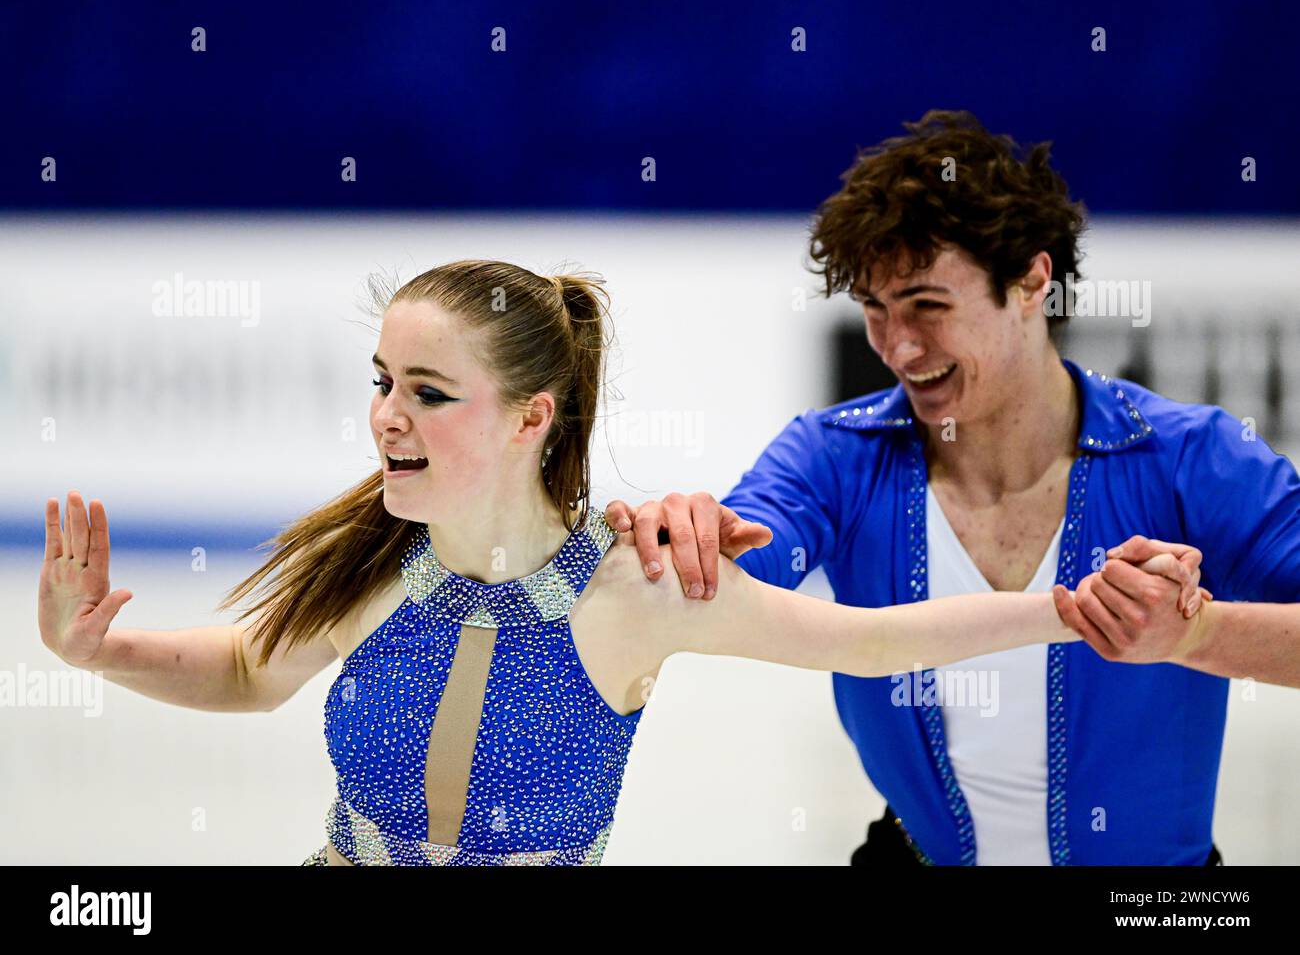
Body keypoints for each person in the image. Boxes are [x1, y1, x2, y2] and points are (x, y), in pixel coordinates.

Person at [36, 259, 1202, 866]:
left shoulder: (630, 590)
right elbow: (247, 668)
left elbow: (867, 639)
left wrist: (1059, 607)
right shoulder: (373, 558)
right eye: (381, 382)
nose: (387, 414)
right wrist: (98, 647)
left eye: (427, 392)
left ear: (532, 416)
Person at [607, 110, 1300, 866]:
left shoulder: (1193, 457)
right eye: (875, 310)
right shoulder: (832, 456)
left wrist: (1197, 633)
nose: (898, 347)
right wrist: (691, 536)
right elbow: (743, 550)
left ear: (1031, 282)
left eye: (927, 306)